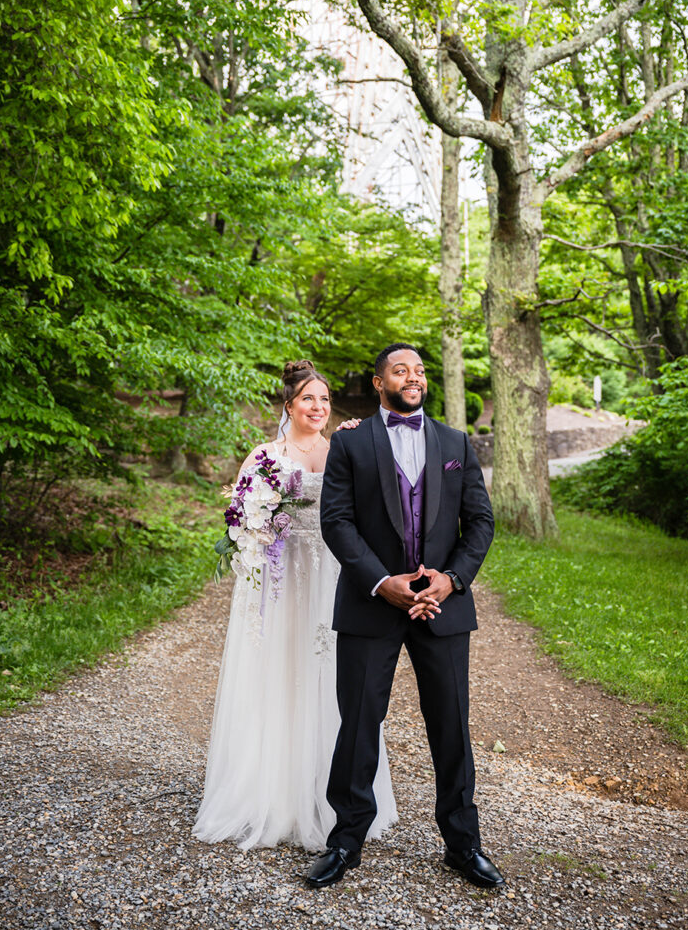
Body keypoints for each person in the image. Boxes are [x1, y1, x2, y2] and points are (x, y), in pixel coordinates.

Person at [308, 343, 503, 889]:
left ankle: (464, 846)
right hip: (372, 604)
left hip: (443, 607)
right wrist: (381, 582)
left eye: (419, 370)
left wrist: (451, 579)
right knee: (359, 725)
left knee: (451, 726)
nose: (413, 377)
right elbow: (337, 521)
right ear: (378, 382)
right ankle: (346, 842)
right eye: (401, 370)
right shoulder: (350, 444)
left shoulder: (455, 442)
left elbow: (480, 523)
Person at [193, 359, 397, 851]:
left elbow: (372, 498)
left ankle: (328, 791)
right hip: (279, 581)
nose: (318, 407)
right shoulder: (265, 455)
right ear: (289, 406)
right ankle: (268, 789)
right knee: (279, 672)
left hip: (328, 575)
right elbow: (239, 519)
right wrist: (254, 536)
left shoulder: (342, 451)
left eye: (325, 400)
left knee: (327, 674)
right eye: (309, 398)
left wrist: (358, 437)